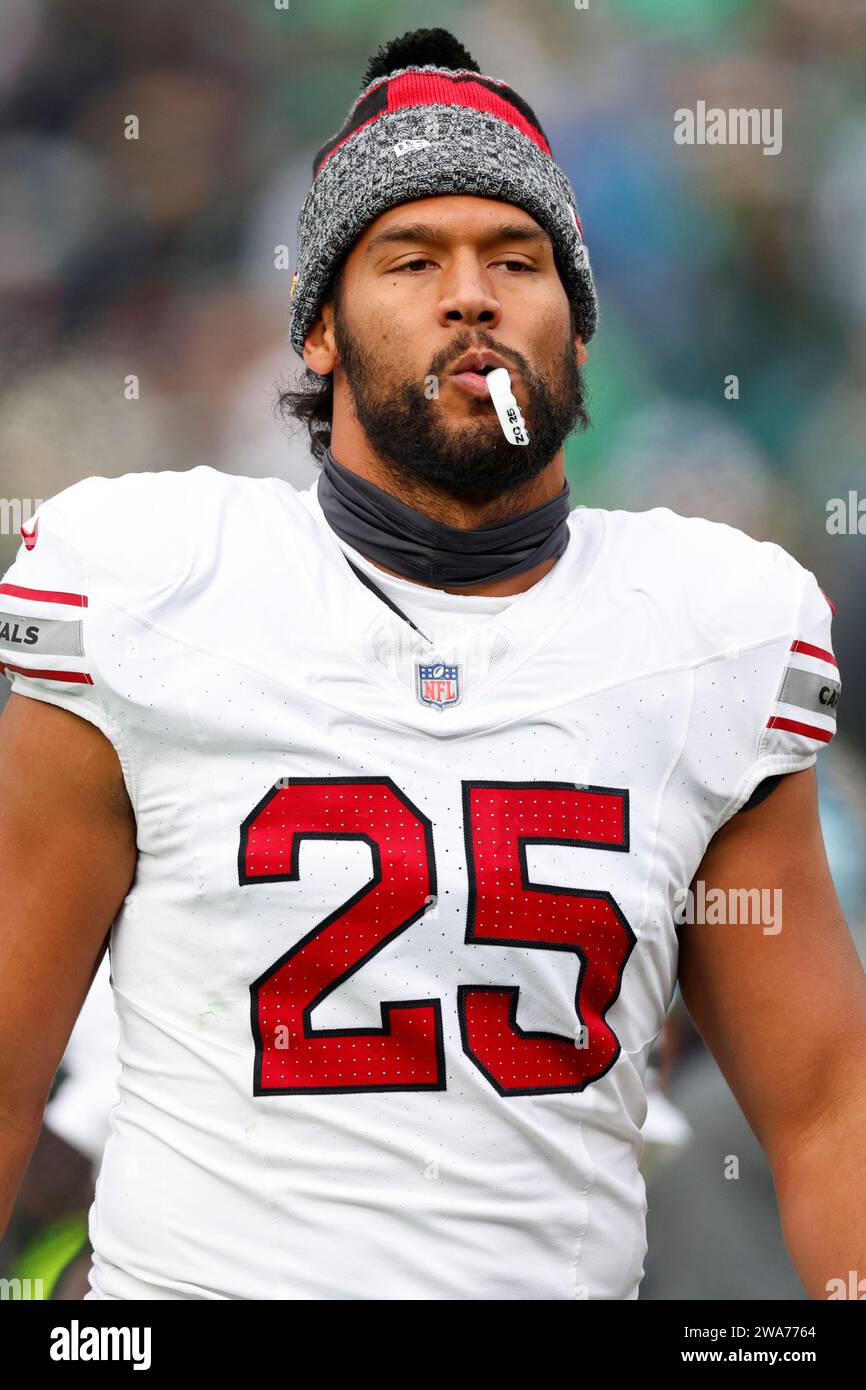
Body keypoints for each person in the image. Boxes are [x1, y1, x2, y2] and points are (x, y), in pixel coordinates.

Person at [1, 26, 864, 1302]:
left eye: (516, 260)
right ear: (320, 337)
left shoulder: (708, 631)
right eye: (411, 259)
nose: (471, 295)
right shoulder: (149, 581)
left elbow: (823, 1110)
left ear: (577, 329)